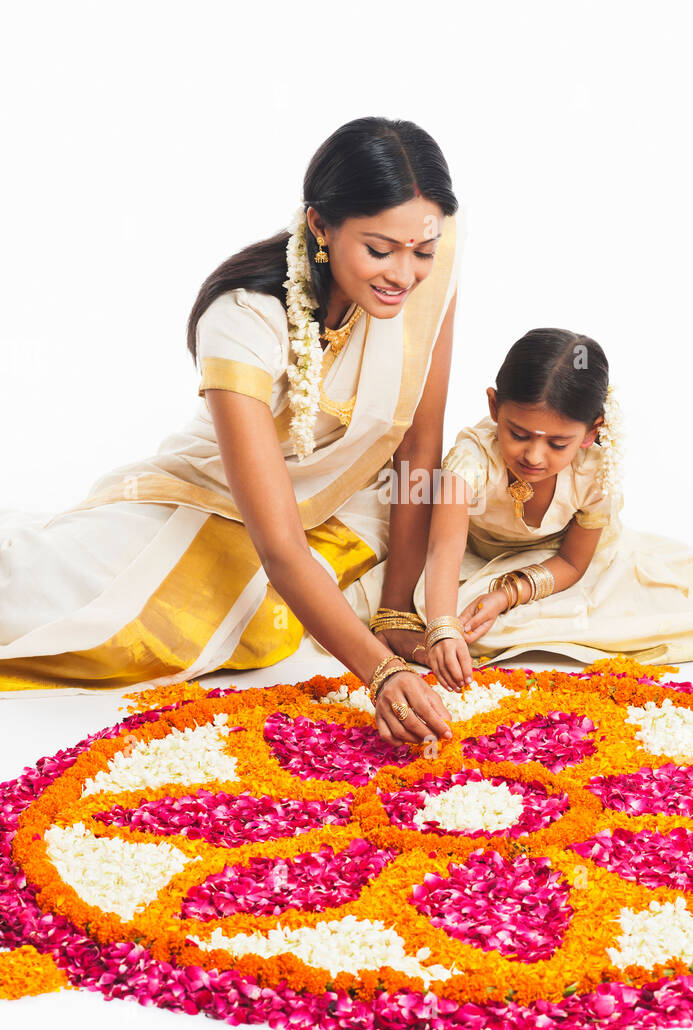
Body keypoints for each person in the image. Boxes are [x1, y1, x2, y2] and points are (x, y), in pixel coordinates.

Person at [0, 116, 463, 748]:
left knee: (295, 621)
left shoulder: (429, 255)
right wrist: (379, 672)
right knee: (90, 615)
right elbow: (278, 545)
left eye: (423, 252)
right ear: (319, 225)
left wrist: (398, 606)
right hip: (215, 495)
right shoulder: (244, 317)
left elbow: (419, 449)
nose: (405, 275)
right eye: (379, 250)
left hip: (353, 506)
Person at [412, 328, 693, 689]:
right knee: (444, 619)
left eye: (558, 444)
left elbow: (574, 563)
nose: (533, 456)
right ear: (494, 406)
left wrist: (506, 595)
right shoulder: (471, 461)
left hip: (561, 565)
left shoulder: (593, 472)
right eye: (518, 434)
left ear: (593, 431)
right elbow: (442, 550)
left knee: (644, 611)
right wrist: (443, 628)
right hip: (470, 558)